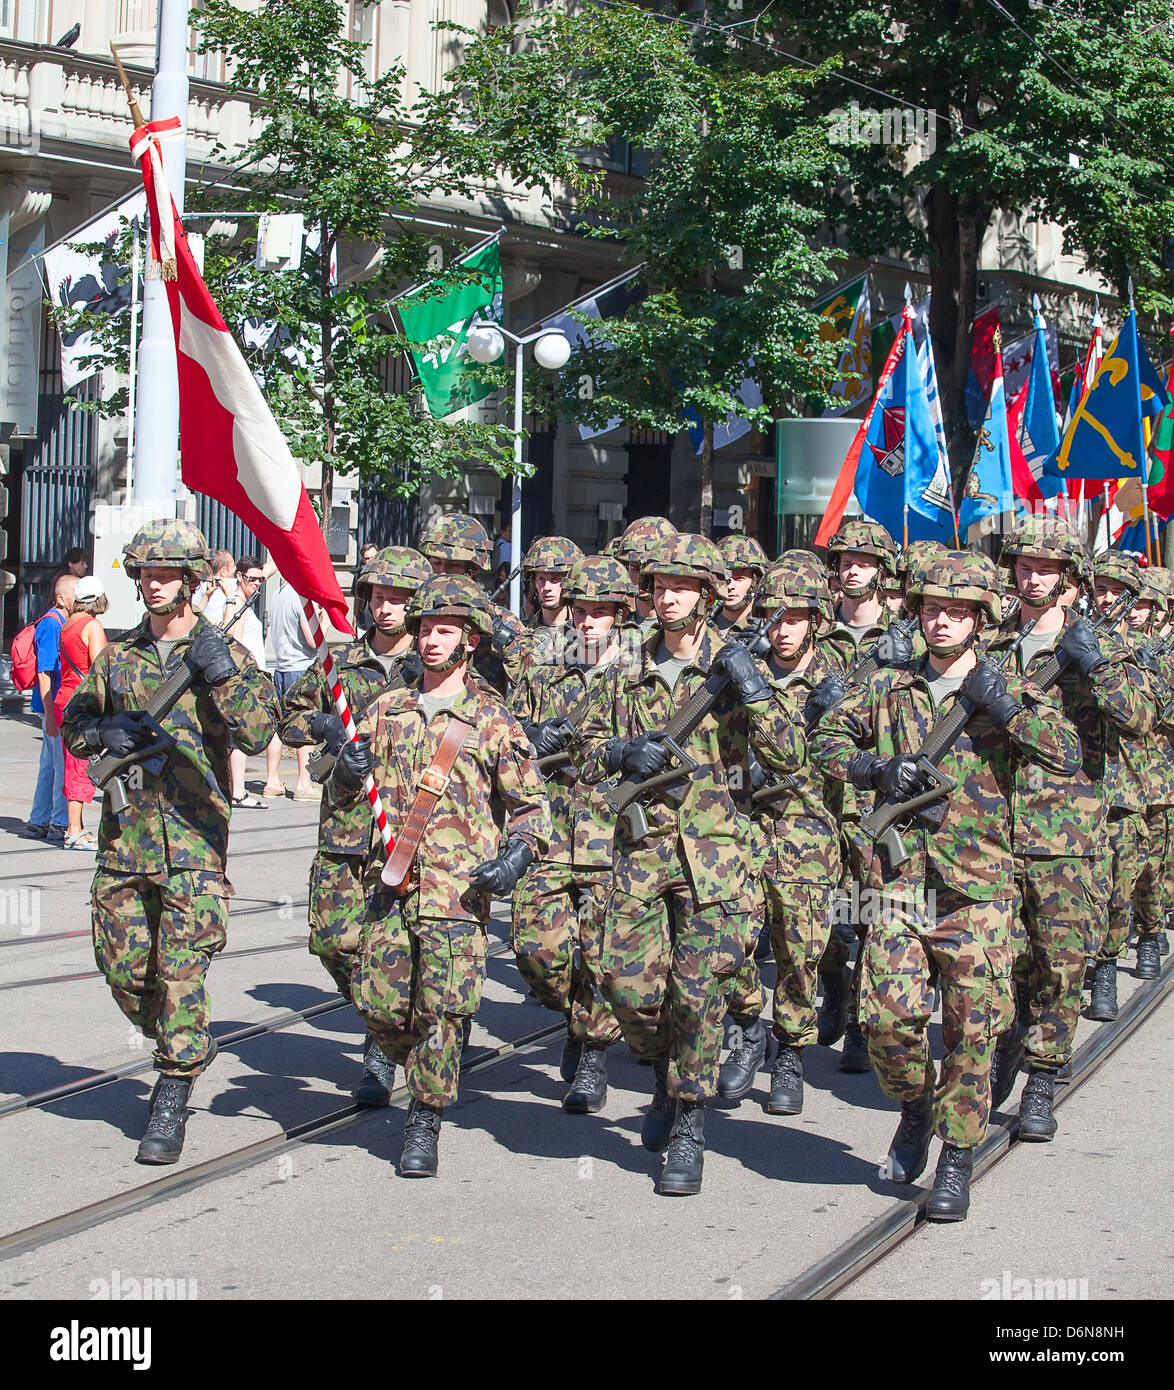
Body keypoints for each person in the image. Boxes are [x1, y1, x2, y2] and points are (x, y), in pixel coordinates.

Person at [811, 551, 1081, 1221]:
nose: (942, 621)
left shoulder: (1006, 686)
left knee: (973, 1034)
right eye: (933, 608)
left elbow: (1067, 752)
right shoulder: (887, 686)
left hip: (979, 888)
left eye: (957, 611)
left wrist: (1008, 708)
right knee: (884, 1021)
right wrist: (874, 768)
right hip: (896, 883)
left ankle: (956, 1156)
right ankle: (913, 1106)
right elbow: (820, 739)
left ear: (981, 619)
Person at [575, 534, 804, 1195]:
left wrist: (755, 688)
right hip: (642, 850)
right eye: (657, 584)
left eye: (681, 585)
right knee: (628, 987)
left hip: (716, 857)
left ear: (707, 594)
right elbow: (580, 750)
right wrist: (621, 754)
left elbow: (790, 760)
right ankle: (665, 1075)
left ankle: (689, 1126)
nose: (666, 594)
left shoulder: (733, 667)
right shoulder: (625, 666)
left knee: (697, 994)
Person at [62, 519, 277, 1164]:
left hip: (193, 846)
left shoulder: (223, 655)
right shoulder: (119, 656)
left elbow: (261, 733)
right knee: (124, 969)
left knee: (181, 969)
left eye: (166, 576)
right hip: (124, 840)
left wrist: (223, 677)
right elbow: (74, 722)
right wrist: (105, 734)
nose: (153, 586)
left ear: (190, 582)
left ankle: (173, 1085)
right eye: (145, 575)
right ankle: (181, 1040)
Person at [332, 575, 550, 1177]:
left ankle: (424, 1117)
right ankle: (418, 1067)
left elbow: (531, 807)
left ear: (470, 642)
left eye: (444, 632)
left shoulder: (492, 720)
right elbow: (342, 784)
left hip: (457, 892)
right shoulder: (387, 709)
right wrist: (344, 770)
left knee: (443, 1010)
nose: (430, 641)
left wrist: (516, 857)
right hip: (391, 885)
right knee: (378, 1002)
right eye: (425, 630)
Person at [984, 525, 1152, 1139]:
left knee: (1059, 964)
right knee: (1001, 961)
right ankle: (1004, 1041)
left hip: (1069, 837)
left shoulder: (1103, 645)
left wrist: (1098, 665)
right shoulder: (993, 643)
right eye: (1025, 565)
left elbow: (1140, 717)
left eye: (1047, 568)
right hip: (992, 830)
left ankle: (1043, 1076)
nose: (1033, 577)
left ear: (1071, 580)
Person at [279, 545, 430, 1101]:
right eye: (379, 597)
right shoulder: (338, 665)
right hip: (347, 828)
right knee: (333, 942)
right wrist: (324, 722)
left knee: (402, 947)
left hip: (410, 832)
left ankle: (382, 1049)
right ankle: (382, 1020)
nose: (387, 609)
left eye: (400, 599)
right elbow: (287, 720)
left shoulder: (435, 668)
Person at [509, 554, 638, 1112]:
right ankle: (571, 1012)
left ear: (619, 615)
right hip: (551, 830)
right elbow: (507, 739)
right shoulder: (543, 671)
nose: (587, 622)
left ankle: (591, 1050)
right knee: (537, 949)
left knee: (604, 950)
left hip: (614, 835)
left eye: (600, 612)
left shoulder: (639, 677)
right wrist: (532, 736)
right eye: (580, 610)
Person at [715, 552, 843, 1114]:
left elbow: (809, 759)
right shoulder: (744, 671)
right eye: (772, 616)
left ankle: (790, 1045)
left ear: (816, 621)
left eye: (793, 617)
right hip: (743, 828)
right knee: (729, 943)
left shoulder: (838, 684)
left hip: (807, 834)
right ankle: (748, 1024)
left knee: (798, 950)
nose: (781, 628)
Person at [418, 513, 530, 694]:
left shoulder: (501, 619)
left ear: (473, 569)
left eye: (453, 566)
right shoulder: (416, 612)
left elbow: (533, 680)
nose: (442, 573)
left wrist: (502, 638)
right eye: (436, 563)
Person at [55, 577, 109, 850]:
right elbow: (100, 669)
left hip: (63, 698)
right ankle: (74, 830)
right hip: (83, 700)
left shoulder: (68, 624)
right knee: (80, 765)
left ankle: (73, 825)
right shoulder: (92, 625)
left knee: (69, 763)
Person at [221, 556, 278, 807]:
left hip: (251, 675)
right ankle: (238, 791)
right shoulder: (236, 601)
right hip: (244, 676)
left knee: (237, 735)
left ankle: (234, 788)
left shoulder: (244, 595)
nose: (257, 583)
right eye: (251, 579)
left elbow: (270, 569)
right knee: (242, 732)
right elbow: (233, 639)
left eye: (259, 579)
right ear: (239, 577)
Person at [24, 574, 75, 843]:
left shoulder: (59, 621)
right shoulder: (53, 625)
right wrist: (50, 717)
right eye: (76, 594)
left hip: (49, 705)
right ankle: (58, 821)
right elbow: (44, 672)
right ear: (61, 598)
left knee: (49, 764)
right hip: (50, 704)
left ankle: (39, 819)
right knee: (59, 764)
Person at [266, 576, 321, 800]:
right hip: (300, 667)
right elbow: (313, 640)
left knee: (279, 724)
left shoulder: (278, 594)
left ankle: (272, 780)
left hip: (281, 667)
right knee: (304, 725)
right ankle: (303, 784)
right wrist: (323, 619)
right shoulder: (301, 597)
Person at [519, 536, 583, 630]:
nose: (546, 587)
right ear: (534, 582)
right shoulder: (523, 632)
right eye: (541, 579)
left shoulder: (587, 633)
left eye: (554, 579)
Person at [713, 534, 768, 632]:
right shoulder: (702, 624)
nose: (729, 586)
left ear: (757, 581)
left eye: (739, 579)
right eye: (724, 578)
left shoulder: (769, 629)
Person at [195, 549, 236, 619]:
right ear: (223, 571)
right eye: (233, 566)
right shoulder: (232, 586)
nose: (235, 568)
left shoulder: (199, 587)